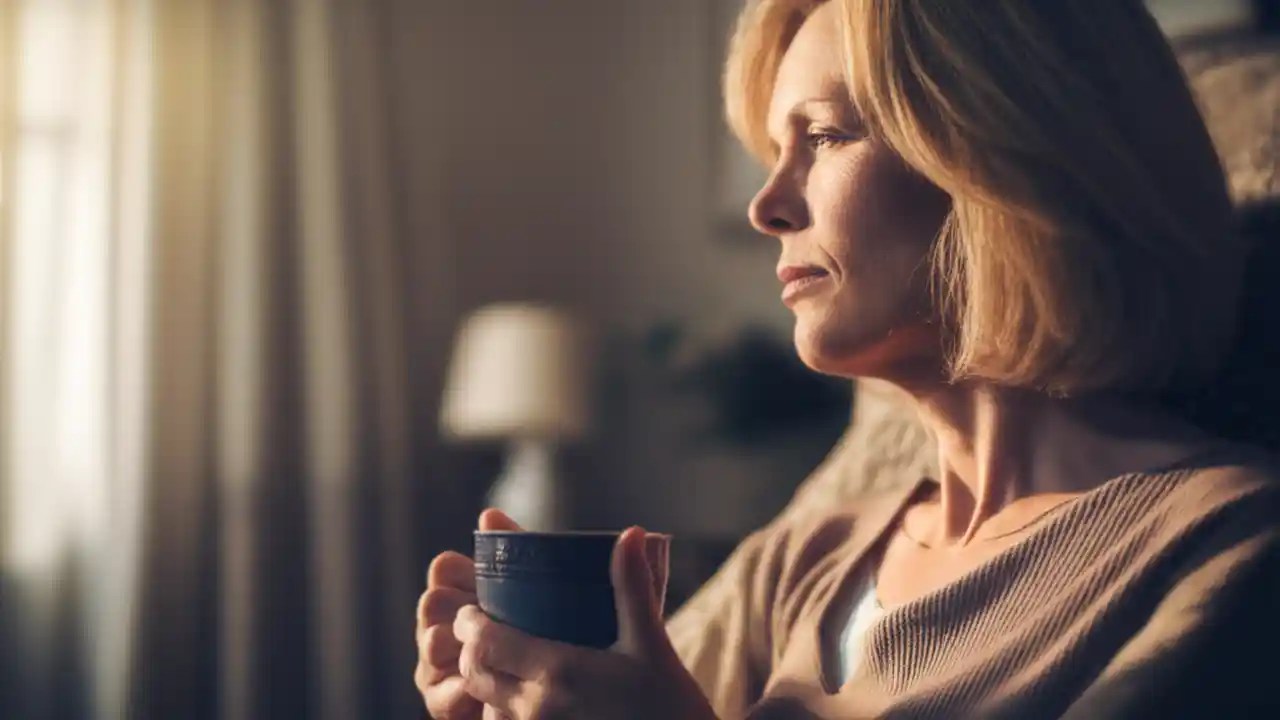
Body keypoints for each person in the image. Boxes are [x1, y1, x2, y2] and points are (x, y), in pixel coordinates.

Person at [415, 1, 1280, 717]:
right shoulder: (802, 559)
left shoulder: (1223, 551)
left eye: (824, 137)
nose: (767, 207)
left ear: (1008, 155)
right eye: (772, 153)